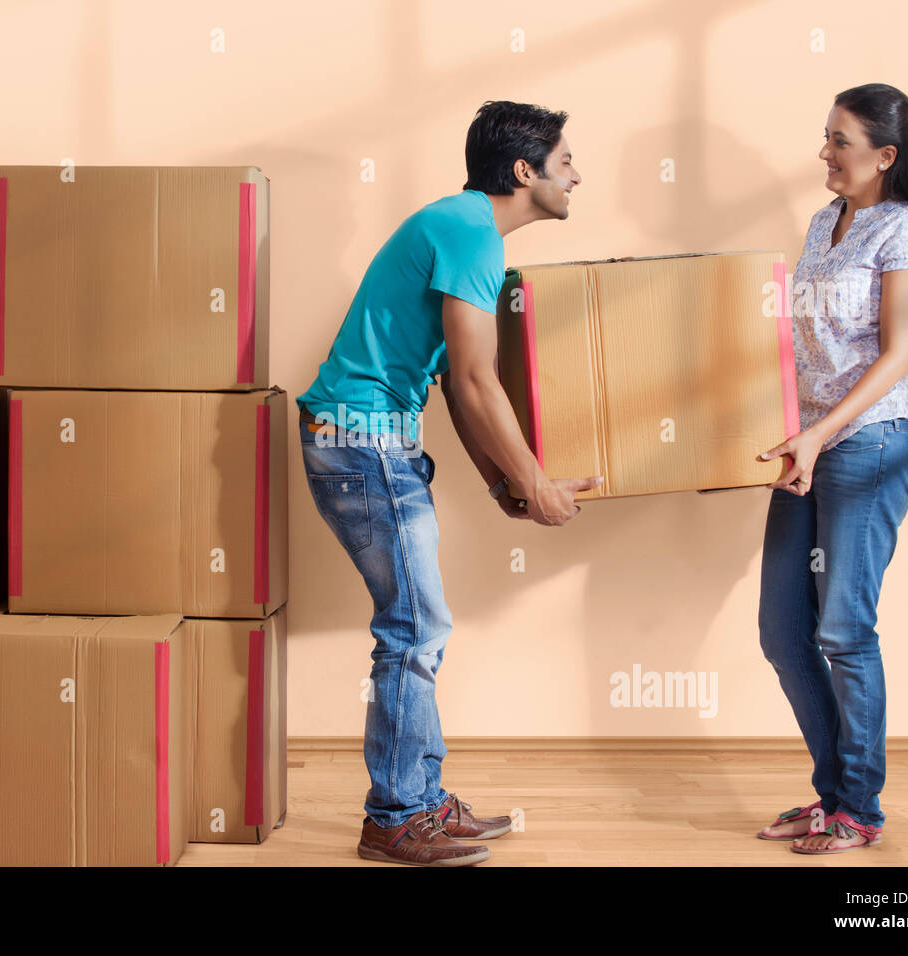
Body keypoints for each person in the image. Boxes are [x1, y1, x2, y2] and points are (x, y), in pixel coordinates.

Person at [295, 100, 602, 866]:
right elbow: (473, 381)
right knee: (414, 630)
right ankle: (395, 817)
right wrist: (536, 484)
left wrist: (506, 486)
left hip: (373, 443)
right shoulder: (471, 233)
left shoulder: (463, 226)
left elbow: (454, 384)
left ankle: (422, 803)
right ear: (525, 171)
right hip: (362, 444)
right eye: (566, 163)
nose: (577, 176)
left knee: (417, 626)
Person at [756, 83, 908, 854]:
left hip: (871, 444)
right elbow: (802, 349)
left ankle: (858, 809)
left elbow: (897, 353)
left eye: (840, 140)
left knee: (843, 627)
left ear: (884, 156)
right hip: (813, 444)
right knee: (782, 629)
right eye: (825, 136)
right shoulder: (821, 221)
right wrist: (786, 433)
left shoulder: (907, 232)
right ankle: (832, 792)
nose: (825, 152)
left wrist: (822, 433)